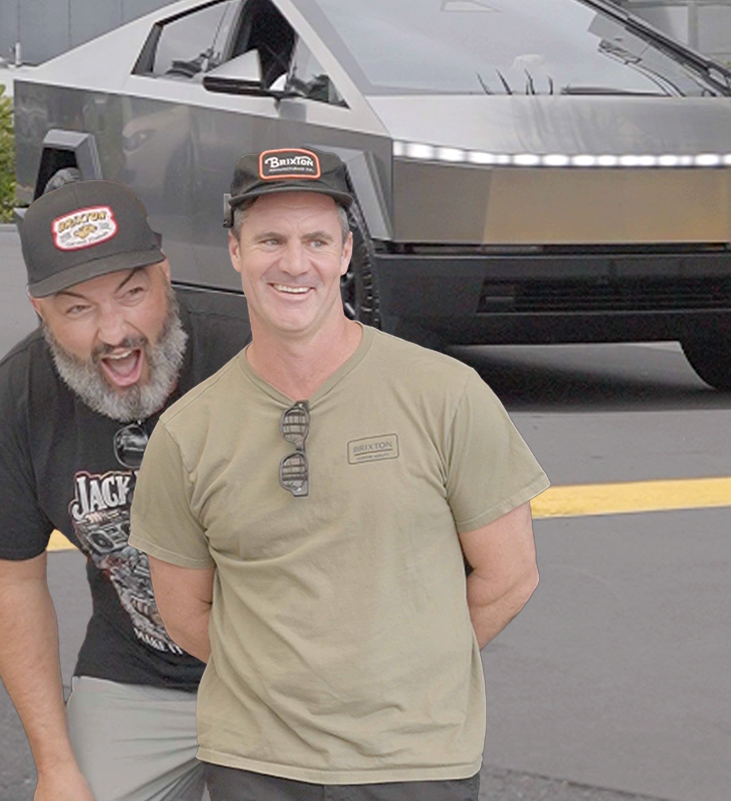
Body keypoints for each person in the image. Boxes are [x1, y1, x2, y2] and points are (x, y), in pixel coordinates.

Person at [131, 147, 549, 801]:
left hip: (414, 762)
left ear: (347, 252)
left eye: (317, 241)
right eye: (270, 240)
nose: (294, 263)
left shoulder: (446, 395)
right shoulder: (188, 432)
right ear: (236, 250)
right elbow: (184, 612)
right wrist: (282, 689)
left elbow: (510, 575)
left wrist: (410, 679)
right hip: (255, 764)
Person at [0, 179, 248, 801]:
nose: (115, 332)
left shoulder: (252, 351)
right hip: (138, 674)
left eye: (132, 293)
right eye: (78, 309)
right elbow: (12, 584)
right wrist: (55, 767)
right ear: (40, 311)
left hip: (282, 673)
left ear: (165, 276)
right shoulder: (16, 400)